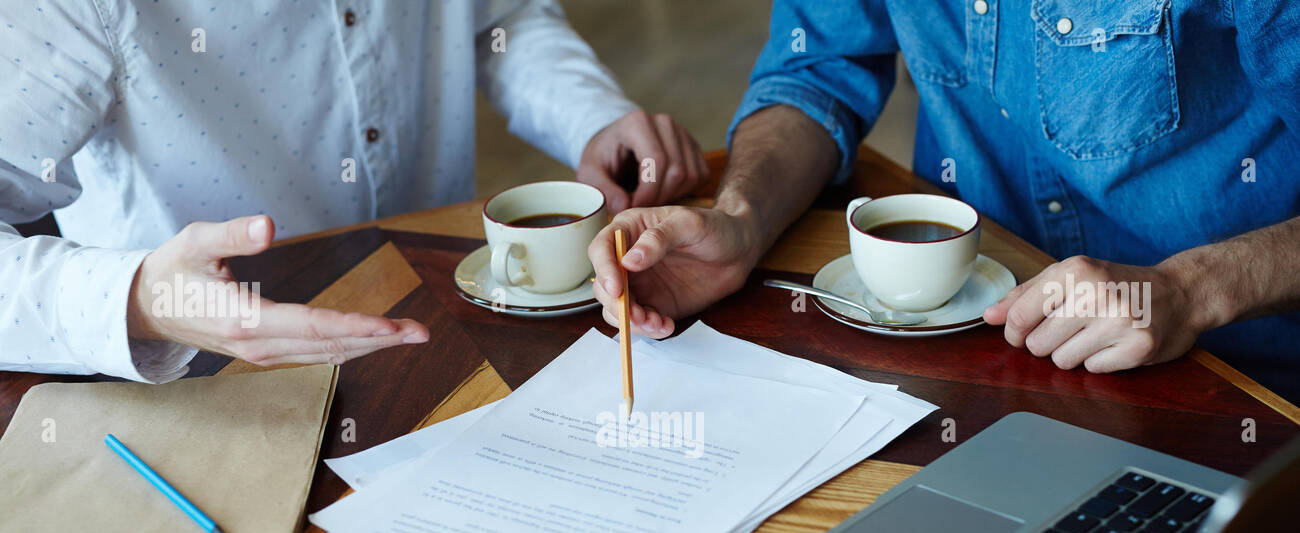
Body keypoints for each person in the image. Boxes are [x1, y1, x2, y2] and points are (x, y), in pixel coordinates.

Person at [589, 0, 1300, 402]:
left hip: (1232, 385)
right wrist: (741, 219)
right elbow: (818, 70)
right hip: (967, 362)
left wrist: (1187, 290)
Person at [0, 0, 707, 381]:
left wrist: (590, 117)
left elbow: (500, 20)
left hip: (442, 342)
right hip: (207, 391)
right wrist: (147, 299)